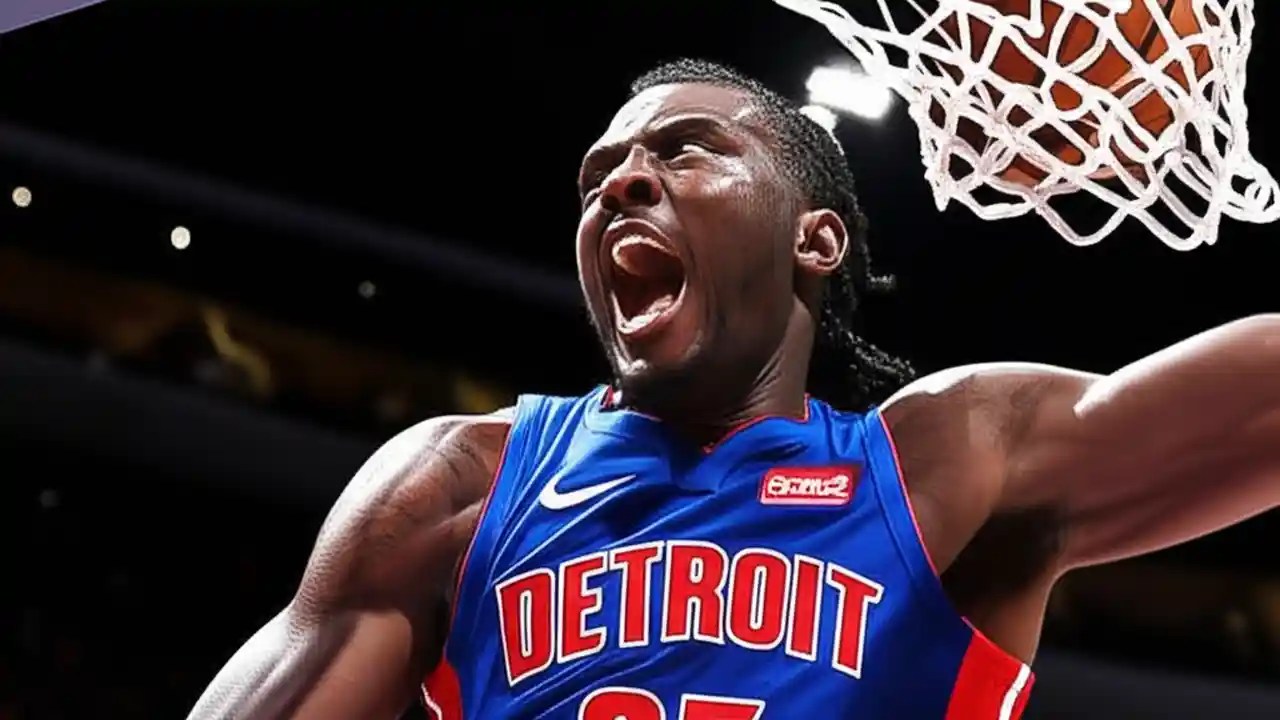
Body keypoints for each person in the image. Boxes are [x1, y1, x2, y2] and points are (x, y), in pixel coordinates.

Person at [186, 58, 1280, 719]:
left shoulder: (945, 463)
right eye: (597, 177)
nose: (618, 180)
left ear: (815, 238)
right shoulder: (461, 481)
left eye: (686, 149)